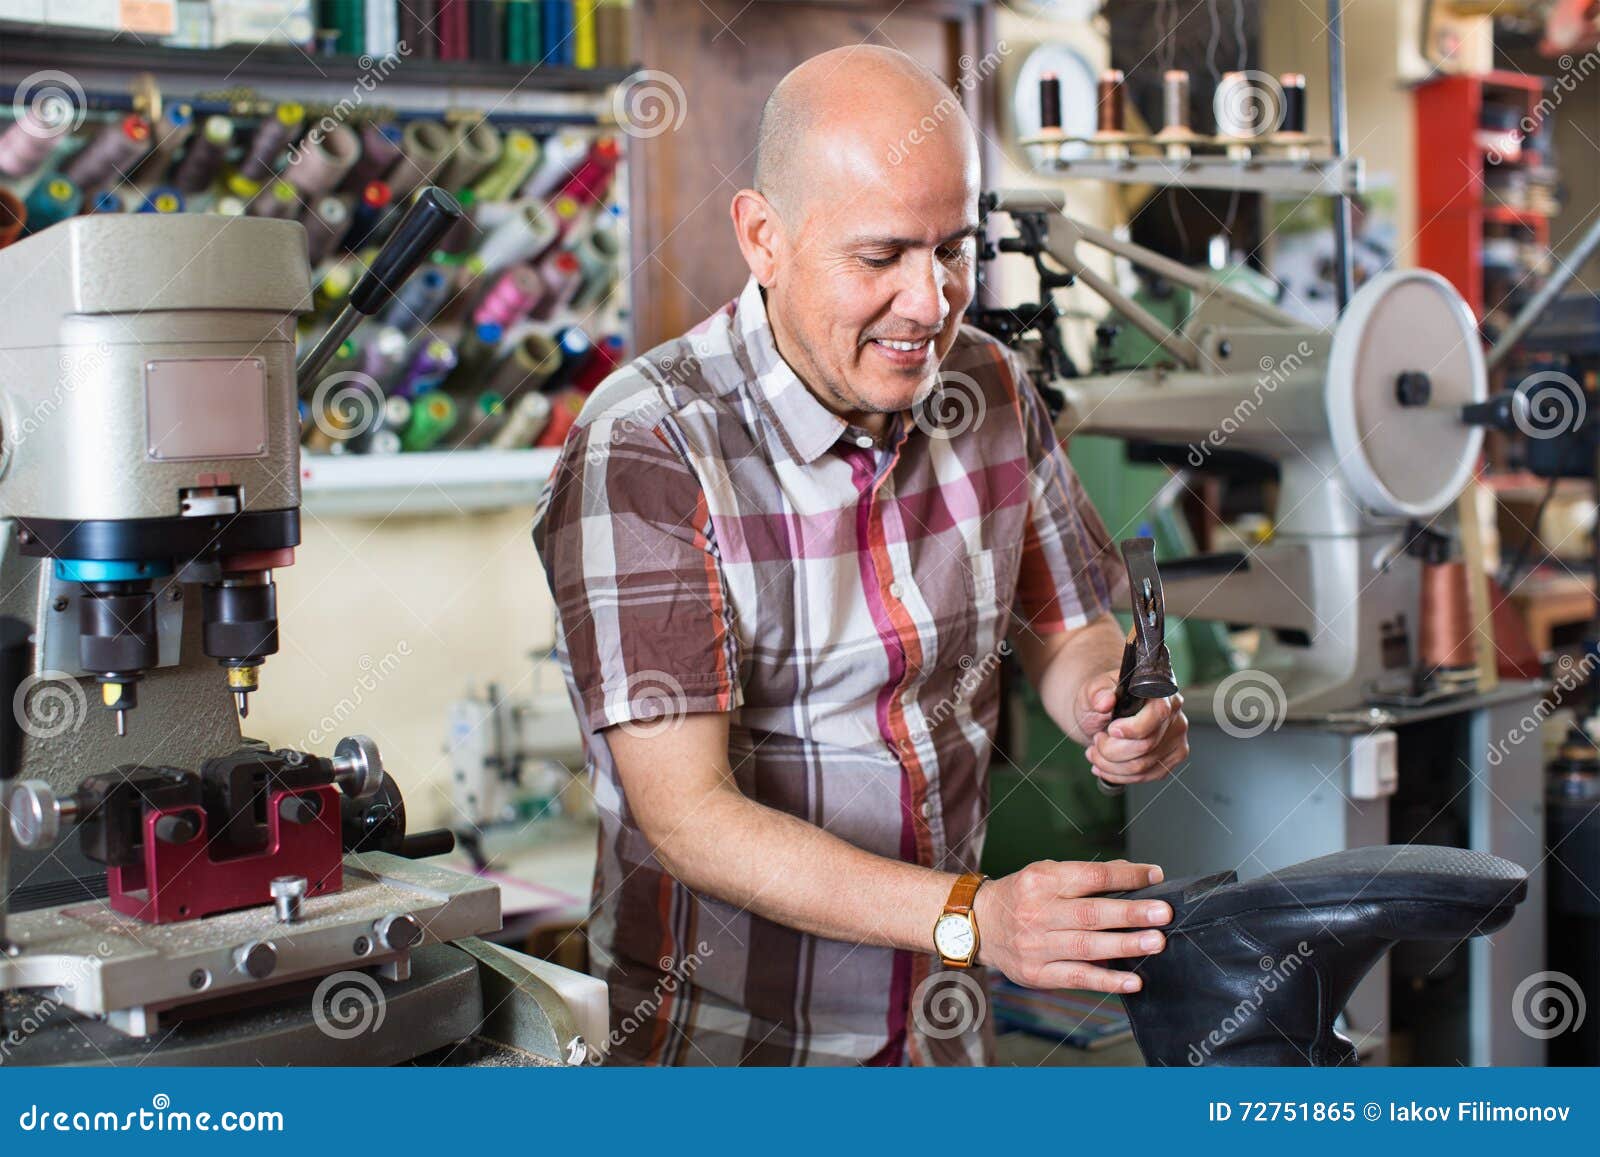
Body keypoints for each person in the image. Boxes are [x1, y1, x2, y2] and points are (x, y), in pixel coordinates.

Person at [533, 45, 1188, 1065]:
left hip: (937, 1038)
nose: (930, 303)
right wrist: (973, 916)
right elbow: (689, 815)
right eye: (880, 259)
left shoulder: (991, 389)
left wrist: (1110, 700)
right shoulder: (652, 444)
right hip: (731, 1053)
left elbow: (1068, 628)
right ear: (763, 236)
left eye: (953, 250)